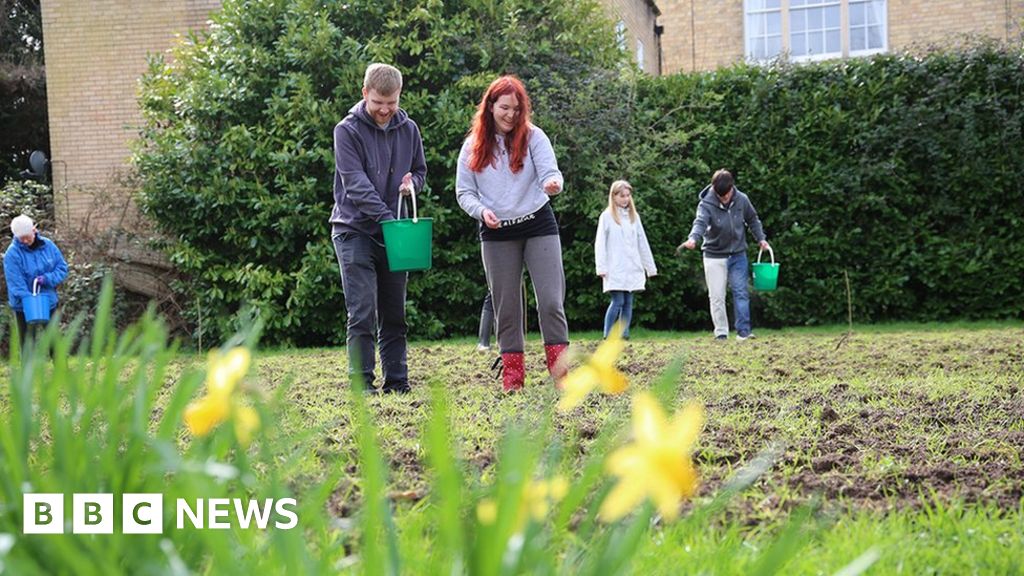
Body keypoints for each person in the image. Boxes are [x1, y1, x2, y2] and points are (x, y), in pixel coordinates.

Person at [455, 75, 569, 392]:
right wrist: (481, 212)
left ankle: (562, 377)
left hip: (537, 222)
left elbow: (551, 172)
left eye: (517, 110)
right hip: (496, 231)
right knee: (506, 308)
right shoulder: (472, 146)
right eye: (504, 107)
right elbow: (464, 192)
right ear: (490, 106)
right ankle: (513, 379)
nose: (510, 115)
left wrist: (553, 184)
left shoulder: (534, 138)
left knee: (550, 301)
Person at [331, 63, 427, 394]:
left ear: (399, 96)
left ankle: (398, 383)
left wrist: (411, 182)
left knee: (394, 312)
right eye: (378, 103)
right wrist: (388, 219)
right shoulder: (346, 131)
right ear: (365, 94)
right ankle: (362, 385)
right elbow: (355, 185)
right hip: (353, 230)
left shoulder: (409, 129)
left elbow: (420, 170)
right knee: (362, 311)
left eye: (392, 103)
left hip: (394, 231)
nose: (385, 110)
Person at [678, 169, 769, 340]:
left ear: (732, 187)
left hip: (738, 254)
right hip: (714, 255)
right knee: (717, 295)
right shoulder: (705, 204)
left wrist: (761, 239)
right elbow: (700, 223)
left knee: (741, 292)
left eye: (727, 195)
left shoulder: (742, 199)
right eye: (721, 196)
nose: (724, 199)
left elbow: (753, 219)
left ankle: (744, 332)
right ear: (713, 189)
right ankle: (721, 332)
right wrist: (693, 239)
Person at [595, 180, 657, 340]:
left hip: (632, 266)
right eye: (622, 196)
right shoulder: (606, 217)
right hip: (614, 267)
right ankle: (608, 334)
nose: (625, 199)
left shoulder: (634, 217)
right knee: (618, 301)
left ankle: (624, 333)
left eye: (628, 196)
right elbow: (600, 243)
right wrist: (601, 267)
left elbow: (642, 242)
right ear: (614, 196)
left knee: (628, 301)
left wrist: (650, 267)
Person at [4, 215, 68, 351]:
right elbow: (15, 282)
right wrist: (30, 300)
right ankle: (29, 371)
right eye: (22, 238)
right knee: (27, 343)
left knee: (54, 340)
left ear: (34, 229)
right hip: (23, 305)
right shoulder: (12, 254)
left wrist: (47, 279)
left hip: (48, 300)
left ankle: (61, 369)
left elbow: (61, 268)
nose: (26, 241)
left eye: (28, 236)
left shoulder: (48, 246)